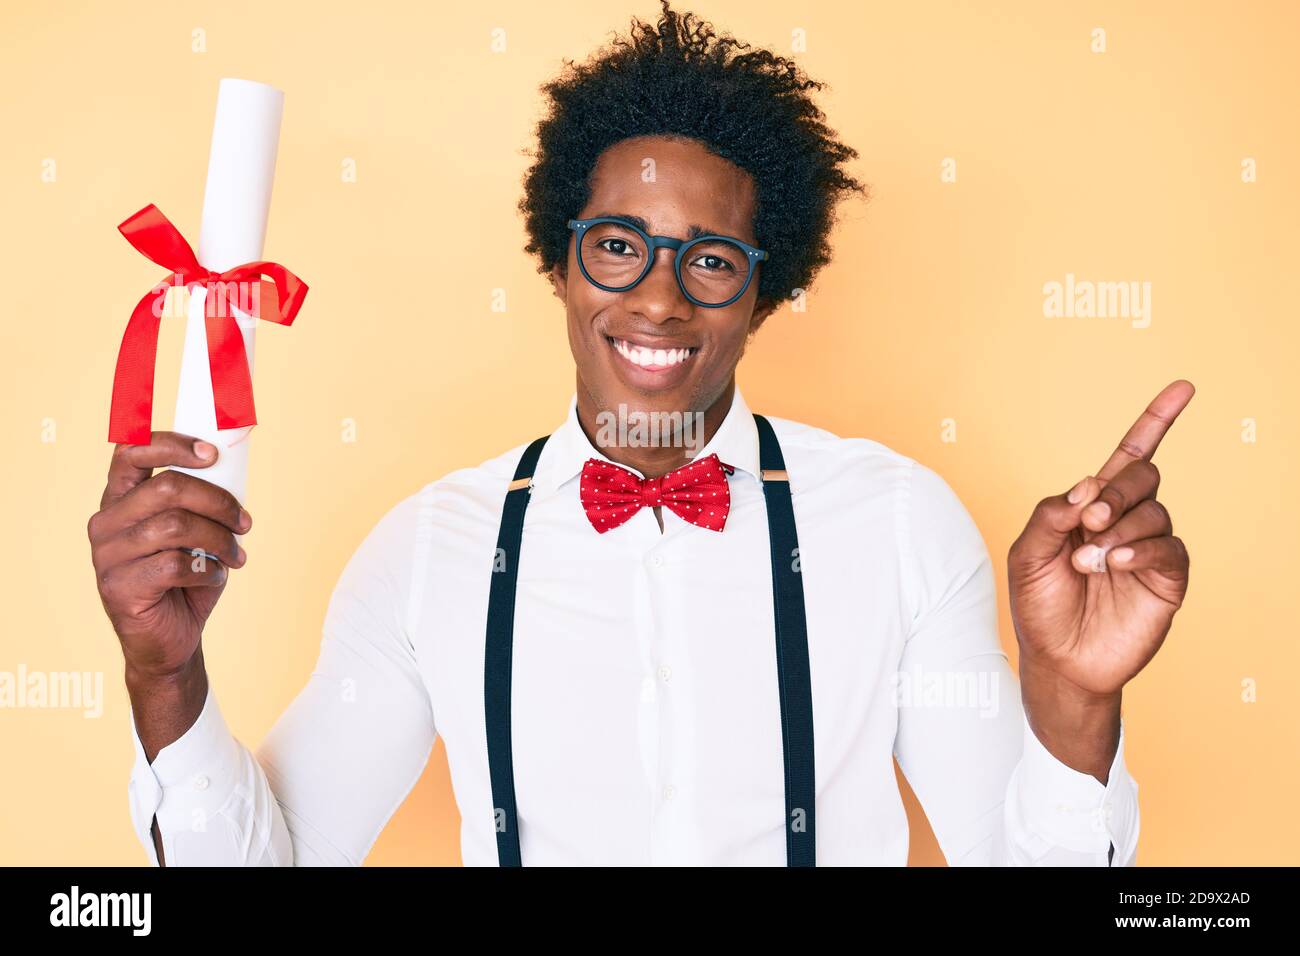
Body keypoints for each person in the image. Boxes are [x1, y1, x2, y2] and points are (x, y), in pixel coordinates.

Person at [88, 0, 1191, 866]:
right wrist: (166, 677)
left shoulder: (897, 521)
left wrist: (1074, 699)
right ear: (561, 262)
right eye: (619, 245)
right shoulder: (430, 548)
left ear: (762, 294)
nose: (659, 300)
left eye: (710, 259)